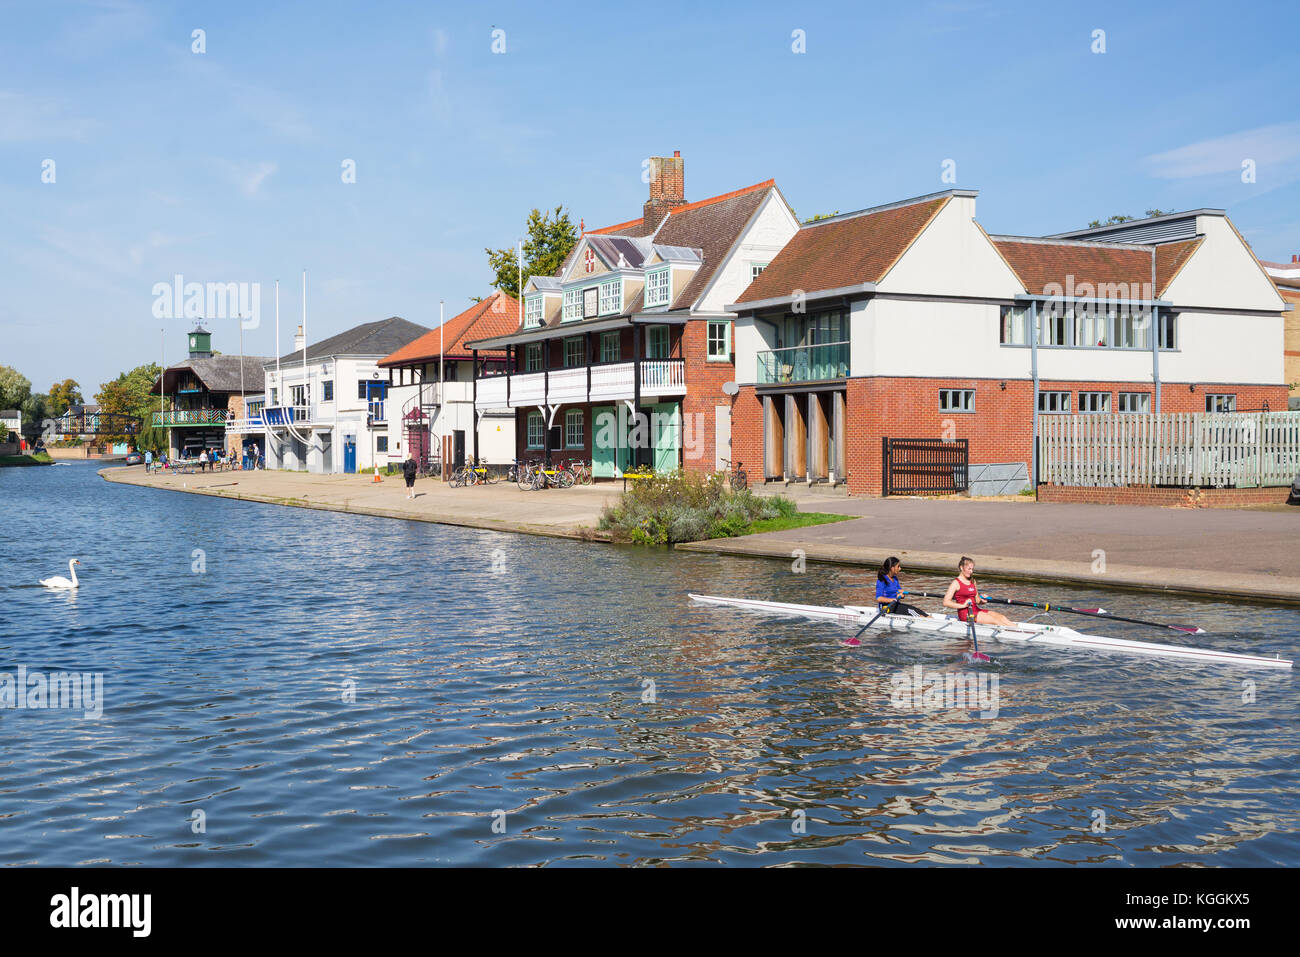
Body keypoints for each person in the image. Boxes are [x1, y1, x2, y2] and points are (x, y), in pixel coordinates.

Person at [942, 556, 1013, 628]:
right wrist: (963, 605)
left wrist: (983, 600)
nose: (971, 571)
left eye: (972, 569)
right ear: (961, 567)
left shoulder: (972, 581)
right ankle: (1013, 633)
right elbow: (946, 602)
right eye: (969, 569)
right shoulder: (956, 583)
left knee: (1001, 617)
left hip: (976, 610)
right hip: (966, 614)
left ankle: (1016, 629)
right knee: (995, 621)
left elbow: (977, 600)